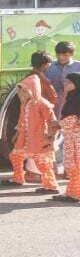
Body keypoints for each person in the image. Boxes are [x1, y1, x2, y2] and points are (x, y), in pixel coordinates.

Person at [1, 75, 59, 193]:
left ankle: (51, 185)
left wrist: (50, 138)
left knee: (43, 162)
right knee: (16, 156)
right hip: (24, 136)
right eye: (21, 90)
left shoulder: (43, 103)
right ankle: (18, 178)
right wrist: (17, 133)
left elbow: (52, 122)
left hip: (38, 137)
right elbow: (21, 120)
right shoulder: (25, 103)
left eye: (25, 90)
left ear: (33, 89)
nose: (22, 93)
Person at [45, 42, 80, 175]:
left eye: (64, 54)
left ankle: (69, 170)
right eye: (59, 54)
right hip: (56, 106)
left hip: (74, 108)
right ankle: (52, 169)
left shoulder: (78, 66)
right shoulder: (51, 67)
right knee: (52, 137)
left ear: (71, 54)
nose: (61, 57)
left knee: (71, 140)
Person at [53, 73, 80, 204]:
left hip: (77, 142)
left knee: (75, 166)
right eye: (65, 82)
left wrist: (58, 124)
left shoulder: (77, 101)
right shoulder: (71, 99)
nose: (65, 84)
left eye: (69, 82)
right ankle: (71, 192)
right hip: (70, 140)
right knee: (71, 166)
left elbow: (72, 120)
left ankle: (75, 194)